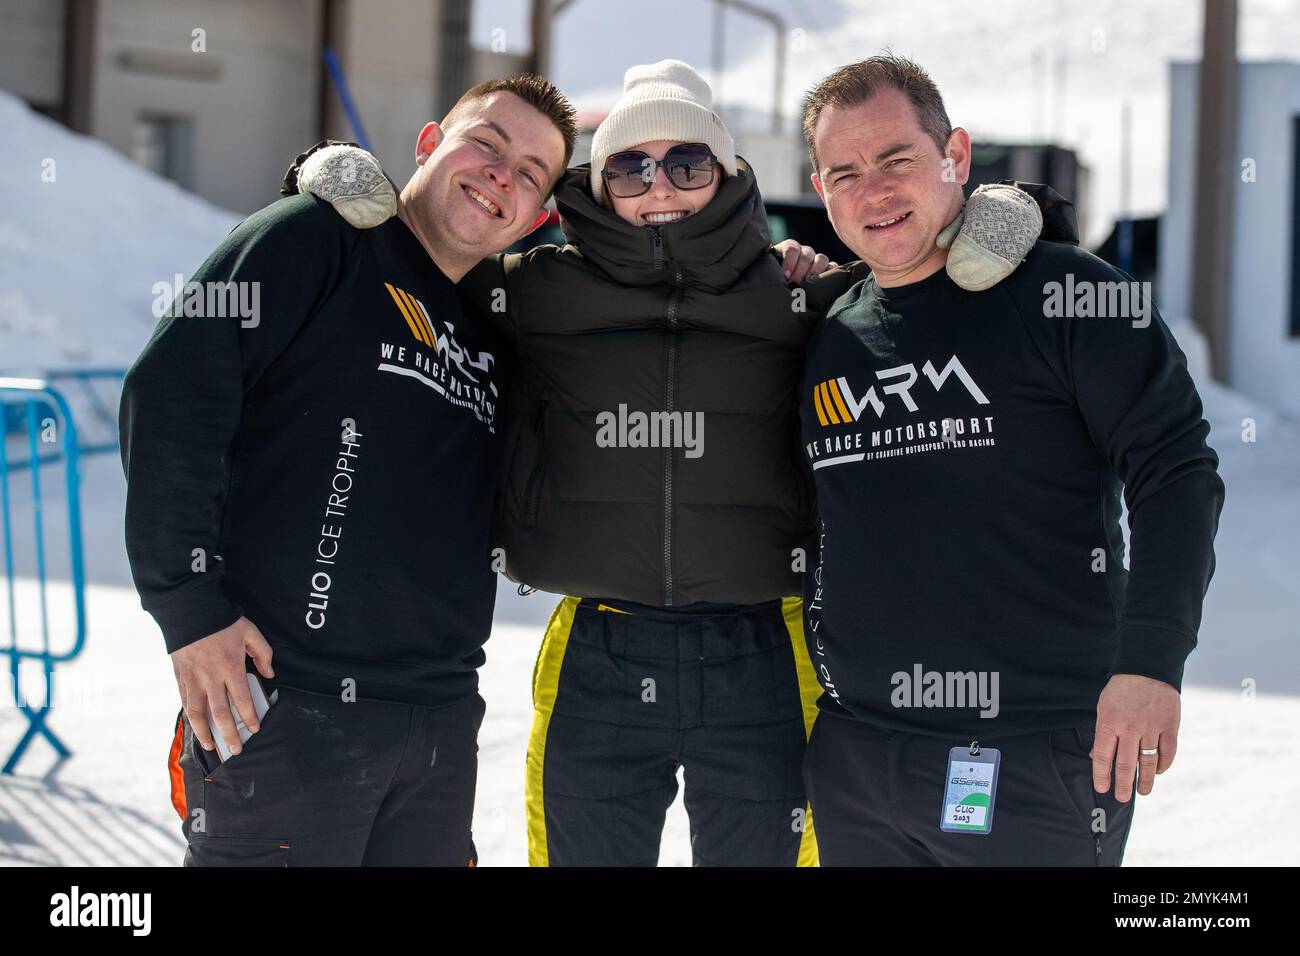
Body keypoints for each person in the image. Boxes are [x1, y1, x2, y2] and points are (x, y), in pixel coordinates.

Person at [295, 59, 1049, 866]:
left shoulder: (802, 295)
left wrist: (1009, 212)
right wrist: (320, 174)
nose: (659, 186)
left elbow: (922, 286)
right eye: (630, 165)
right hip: (599, 647)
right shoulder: (530, 288)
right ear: (600, 179)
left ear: (723, 172)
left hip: (764, 649)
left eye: (687, 163)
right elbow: (422, 242)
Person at [119, 75, 575, 866]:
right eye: (488, 144)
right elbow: (175, 393)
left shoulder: (499, 329)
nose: (503, 174)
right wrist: (187, 608)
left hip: (435, 724)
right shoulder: (322, 238)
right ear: (429, 144)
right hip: (287, 707)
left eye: (531, 173)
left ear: (536, 218)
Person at [797, 54, 1225, 865]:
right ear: (820, 189)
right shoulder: (828, 332)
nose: (873, 192)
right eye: (843, 172)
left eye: (898, 160)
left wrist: (1152, 664)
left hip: (1038, 753)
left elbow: (1176, 474)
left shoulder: (1069, 297)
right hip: (857, 754)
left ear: (954, 154)